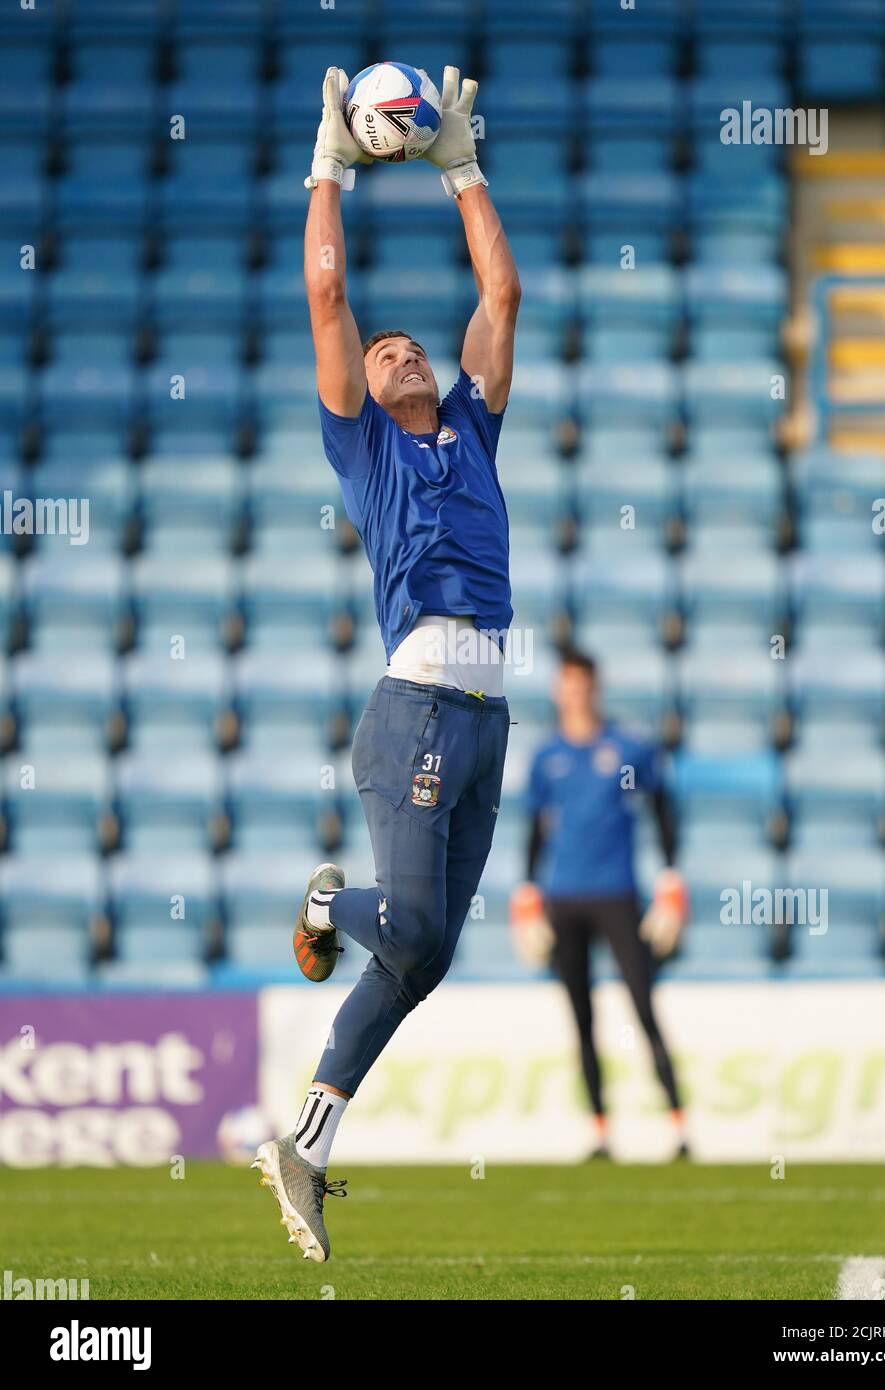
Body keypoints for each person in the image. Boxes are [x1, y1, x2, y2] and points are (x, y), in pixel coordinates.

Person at [252, 66, 521, 1263]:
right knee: (404, 923)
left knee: (424, 957)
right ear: (360, 386)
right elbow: (326, 296)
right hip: (413, 701)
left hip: (488, 714)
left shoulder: (472, 420)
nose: (402, 352)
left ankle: (304, 1144)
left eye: (414, 348)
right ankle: (322, 904)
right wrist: (329, 166)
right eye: (386, 351)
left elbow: (501, 292)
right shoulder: (362, 450)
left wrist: (461, 167)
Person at [514, 650, 689, 1161]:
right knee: (581, 1018)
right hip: (563, 898)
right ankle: (600, 1132)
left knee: (643, 1005)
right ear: (557, 690)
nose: (575, 693)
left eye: (583, 684)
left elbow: (662, 807)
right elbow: (535, 827)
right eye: (567, 684)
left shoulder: (629, 746)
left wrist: (671, 878)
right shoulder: (547, 757)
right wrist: (526, 893)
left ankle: (679, 1126)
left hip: (617, 893)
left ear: (595, 687)